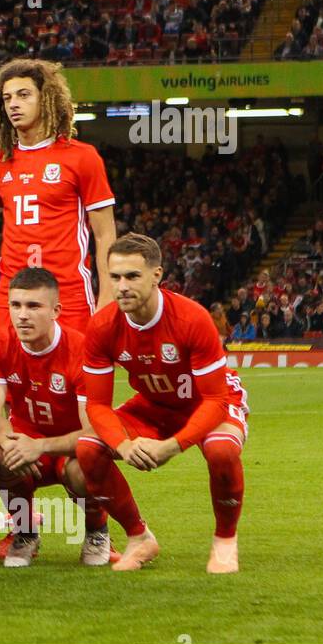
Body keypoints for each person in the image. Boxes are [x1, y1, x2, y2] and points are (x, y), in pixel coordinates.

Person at [78, 234, 250, 574]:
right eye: (114, 277)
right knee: (88, 448)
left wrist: (172, 446)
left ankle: (225, 540)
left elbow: (215, 399)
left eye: (132, 276)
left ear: (157, 275)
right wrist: (123, 445)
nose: (122, 286)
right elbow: (97, 405)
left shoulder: (192, 318)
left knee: (221, 450)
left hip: (208, 401)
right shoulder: (101, 326)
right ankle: (139, 537)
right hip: (154, 404)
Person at [0, 59, 116, 333]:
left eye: (23, 95)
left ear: (46, 99)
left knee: (75, 374)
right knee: (11, 375)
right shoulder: (0, 163)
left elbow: (105, 235)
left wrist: (108, 296)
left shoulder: (81, 157)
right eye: (7, 98)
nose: (13, 104)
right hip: (14, 295)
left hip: (67, 293)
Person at [0, 268, 120, 567]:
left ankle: (97, 530)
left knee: (86, 462)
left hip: (69, 447)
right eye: (15, 305)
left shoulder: (82, 349)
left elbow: (91, 429)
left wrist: (40, 447)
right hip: (25, 439)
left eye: (33, 306)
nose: (22, 315)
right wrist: (11, 442)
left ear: (56, 310)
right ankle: (26, 533)